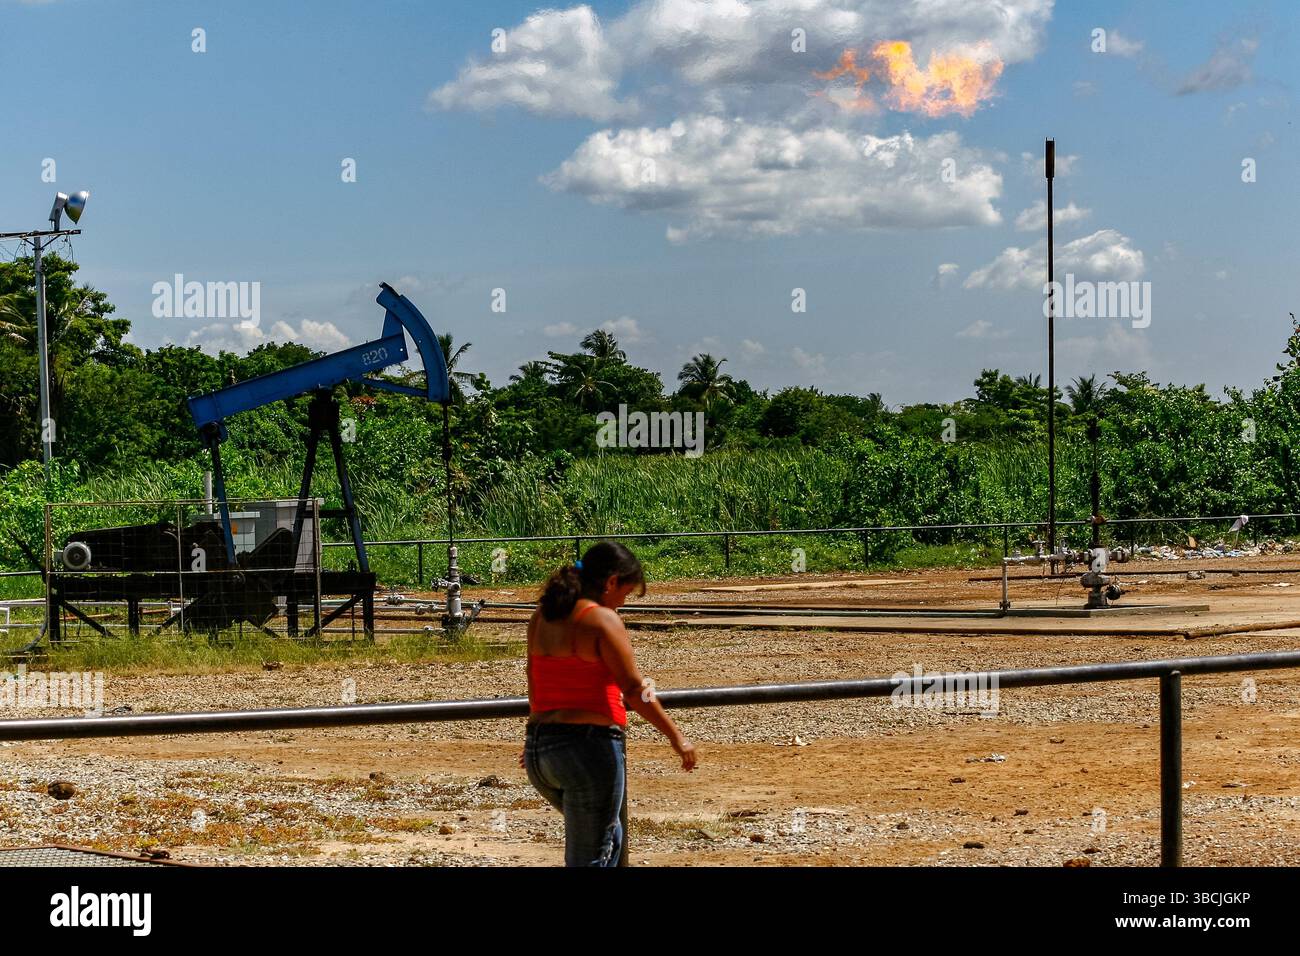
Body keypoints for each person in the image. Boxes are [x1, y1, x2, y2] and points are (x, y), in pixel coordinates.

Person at [521, 541, 696, 866]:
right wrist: (676, 737)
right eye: (625, 593)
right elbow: (633, 688)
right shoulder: (601, 621)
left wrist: (538, 738)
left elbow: (534, 679)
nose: (623, 603)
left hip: (540, 752)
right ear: (611, 581)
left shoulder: (542, 617)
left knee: (610, 838)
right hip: (589, 751)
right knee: (592, 857)